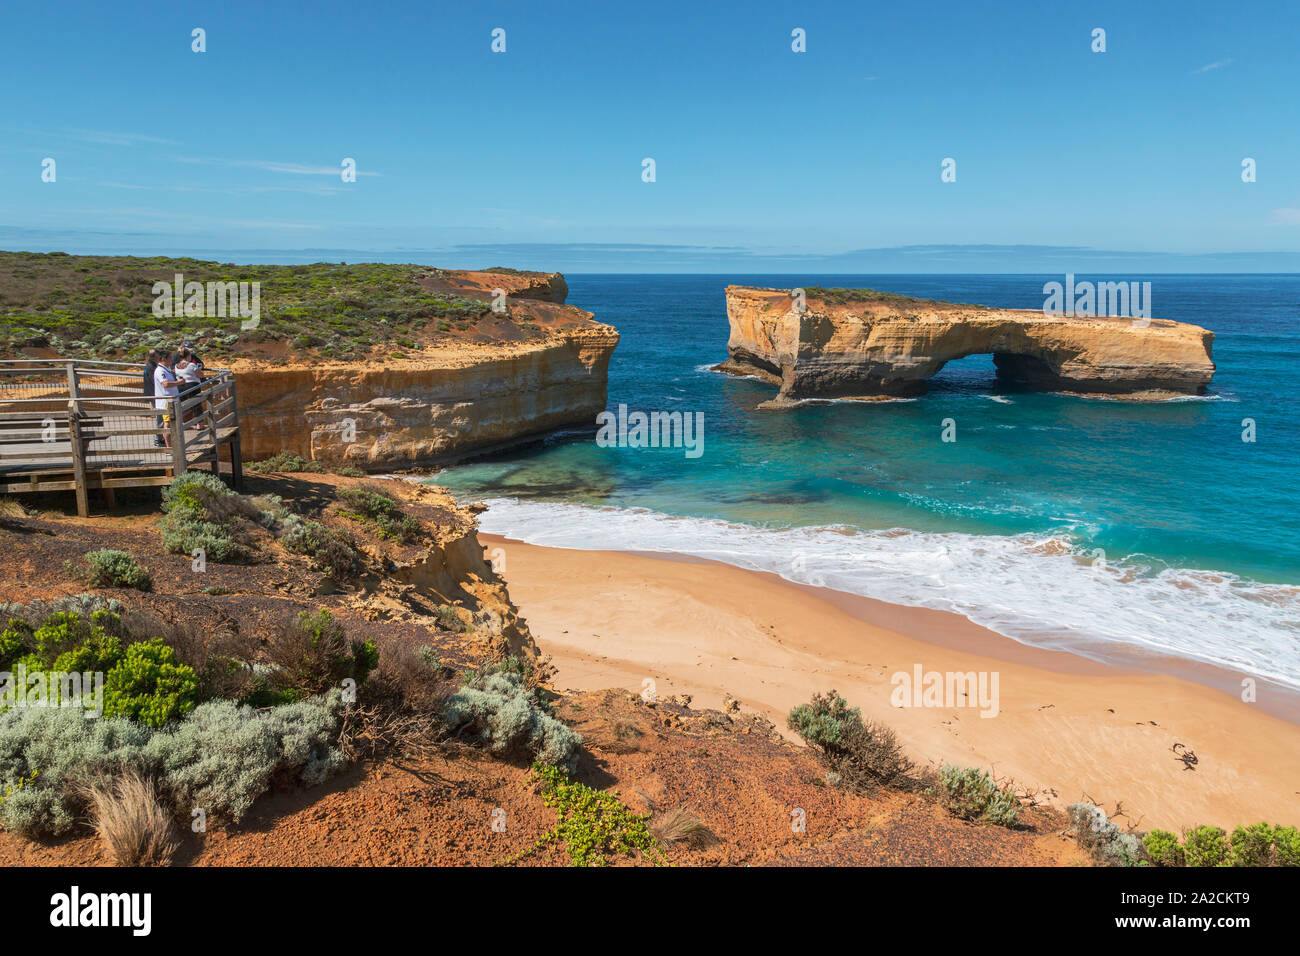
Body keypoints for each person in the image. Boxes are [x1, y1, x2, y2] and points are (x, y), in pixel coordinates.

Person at [153, 352, 181, 448]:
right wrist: (178, 382)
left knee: (172, 424)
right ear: (164, 359)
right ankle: (169, 448)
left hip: (172, 401)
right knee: (167, 425)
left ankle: (174, 445)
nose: (172, 360)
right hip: (166, 403)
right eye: (170, 358)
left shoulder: (166, 369)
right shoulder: (160, 371)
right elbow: (165, 384)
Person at [142, 349, 164, 447]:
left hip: (152, 395)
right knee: (159, 417)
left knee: (159, 417)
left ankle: (159, 438)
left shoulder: (149, 366)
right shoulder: (152, 367)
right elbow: (154, 381)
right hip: (155, 395)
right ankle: (158, 439)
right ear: (155, 356)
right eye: (158, 354)